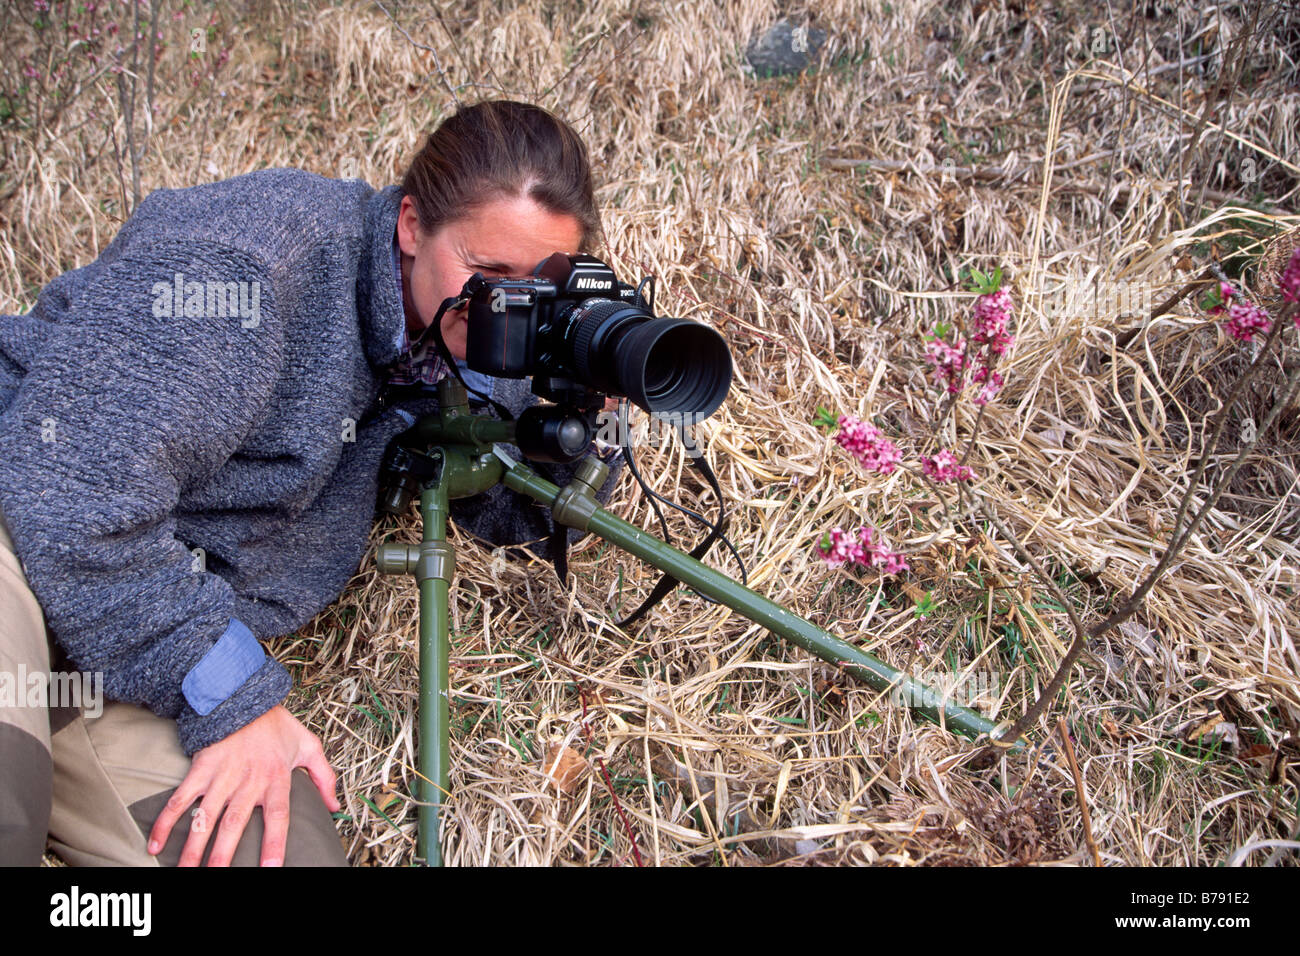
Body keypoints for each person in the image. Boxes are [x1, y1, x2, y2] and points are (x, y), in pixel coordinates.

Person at [0, 99, 606, 866]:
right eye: (488, 273)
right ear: (413, 224)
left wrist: (589, 412)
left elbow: (515, 514)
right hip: (22, 524)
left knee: (284, 857)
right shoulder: (246, 272)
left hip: (116, 636)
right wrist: (231, 695)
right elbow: (72, 496)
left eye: (537, 287)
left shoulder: (459, 332)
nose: (505, 307)